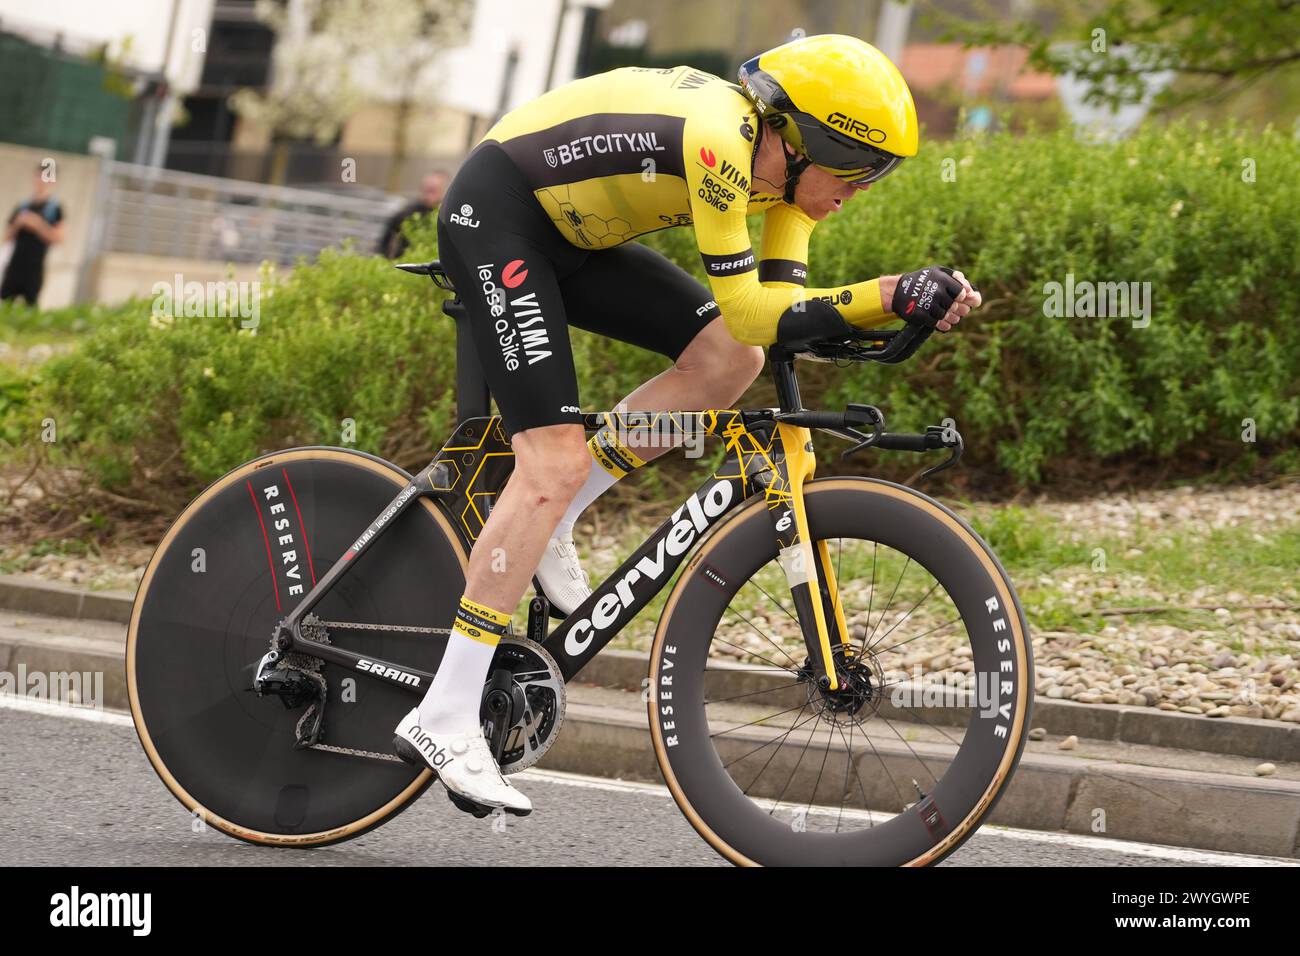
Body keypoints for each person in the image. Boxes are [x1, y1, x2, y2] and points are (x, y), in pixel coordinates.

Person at [393, 33, 981, 815]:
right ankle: (444, 711)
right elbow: (751, 306)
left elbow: (762, 325)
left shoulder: (786, 191)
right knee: (548, 462)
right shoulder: (719, 141)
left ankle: (559, 518)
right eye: (861, 169)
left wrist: (909, 304)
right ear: (808, 141)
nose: (862, 190)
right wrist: (885, 291)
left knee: (725, 360)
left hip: (571, 239)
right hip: (499, 218)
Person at [2, 164, 66, 306]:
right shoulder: (22, 206)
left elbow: (60, 239)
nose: (41, 181)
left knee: (30, 307)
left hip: (34, 270)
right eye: (39, 177)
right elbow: (6, 238)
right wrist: (18, 224)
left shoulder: (54, 209)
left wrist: (38, 225)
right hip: (14, 267)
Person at [377, 171, 448, 259]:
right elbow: (384, 242)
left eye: (432, 190)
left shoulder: (447, 217)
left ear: (444, 191)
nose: (427, 195)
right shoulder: (407, 213)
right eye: (426, 190)